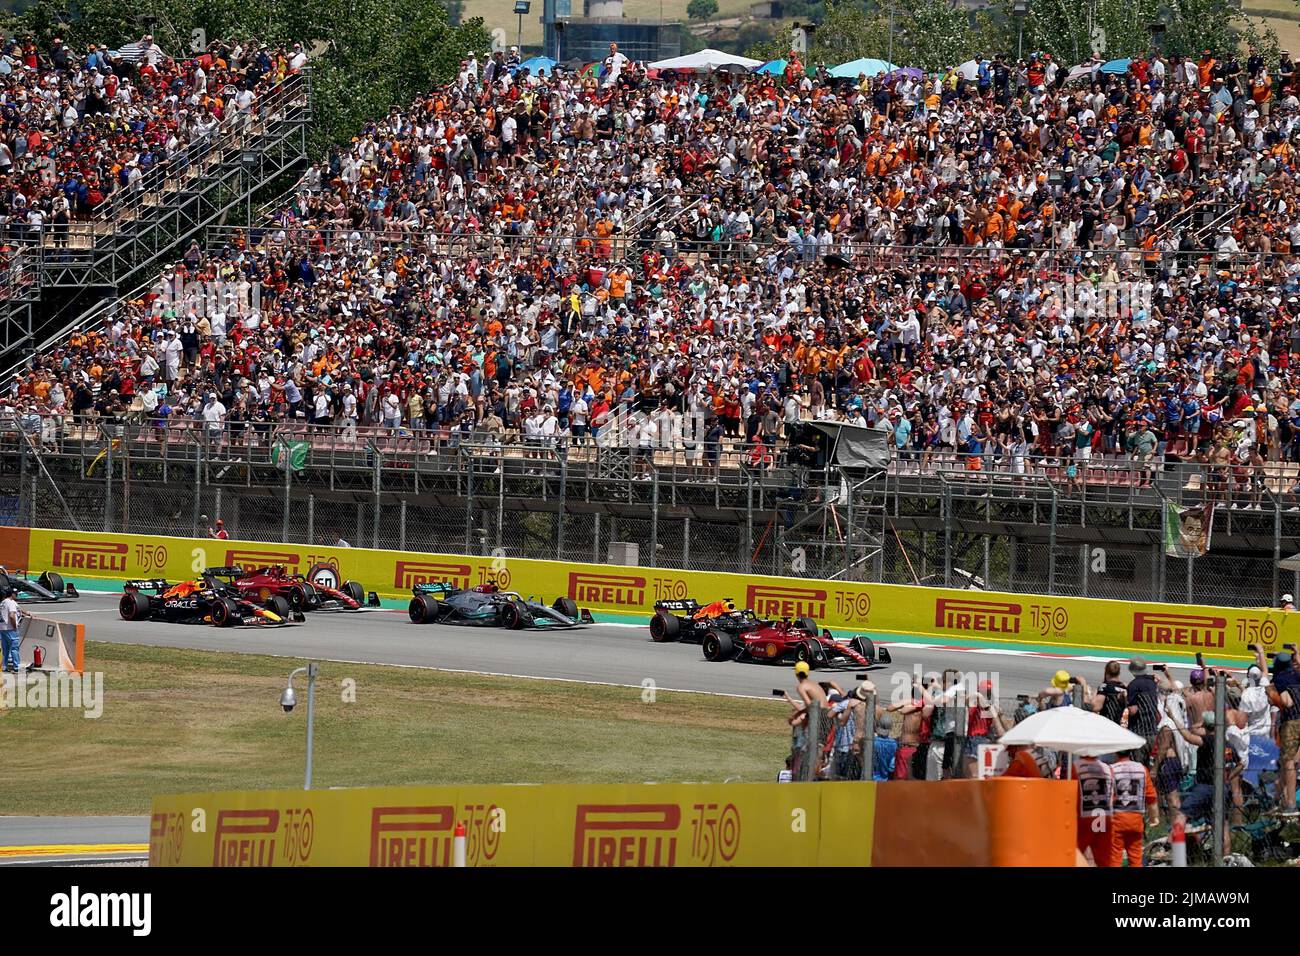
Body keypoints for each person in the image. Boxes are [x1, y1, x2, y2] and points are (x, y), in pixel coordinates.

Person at [1109, 749, 1159, 867]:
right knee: (1136, 857)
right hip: (1136, 820)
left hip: (1117, 820)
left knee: (1115, 857)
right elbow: (1151, 797)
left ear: (1115, 752)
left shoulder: (1111, 769)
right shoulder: (1142, 769)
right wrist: (1154, 817)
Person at [1267, 650, 1300, 810]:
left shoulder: (1280, 679)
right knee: (1291, 763)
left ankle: (1290, 803)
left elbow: (1287, 702)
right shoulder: (1297, 674)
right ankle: (1277, 798)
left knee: (1288, 764)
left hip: (1292, 721)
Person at [1075, 753, 1118, 866]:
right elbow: (1113, 796)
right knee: (1104, 859)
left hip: (1084, 818)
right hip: (1103, 816)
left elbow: (1070, 793)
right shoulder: (1108, 768)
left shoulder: (1075, 767)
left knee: (1075, 852)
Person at [0, 585, 21, 674]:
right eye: (16, 594)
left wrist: (27, 613)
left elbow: (19, 609)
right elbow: (12, 615)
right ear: (12, 594)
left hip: (2, 628)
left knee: (5, 649)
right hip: (10, 629)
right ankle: (16, 667)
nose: (17, 595)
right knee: (14, 648)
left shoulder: (3, 602)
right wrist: (14, 626)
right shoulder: (11, 602)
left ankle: (4, 667)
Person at [873, 713, 898, 781]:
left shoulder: (873, 742)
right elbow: (892, 767)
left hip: (872, 779)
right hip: (886, 780)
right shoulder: (894, 744)